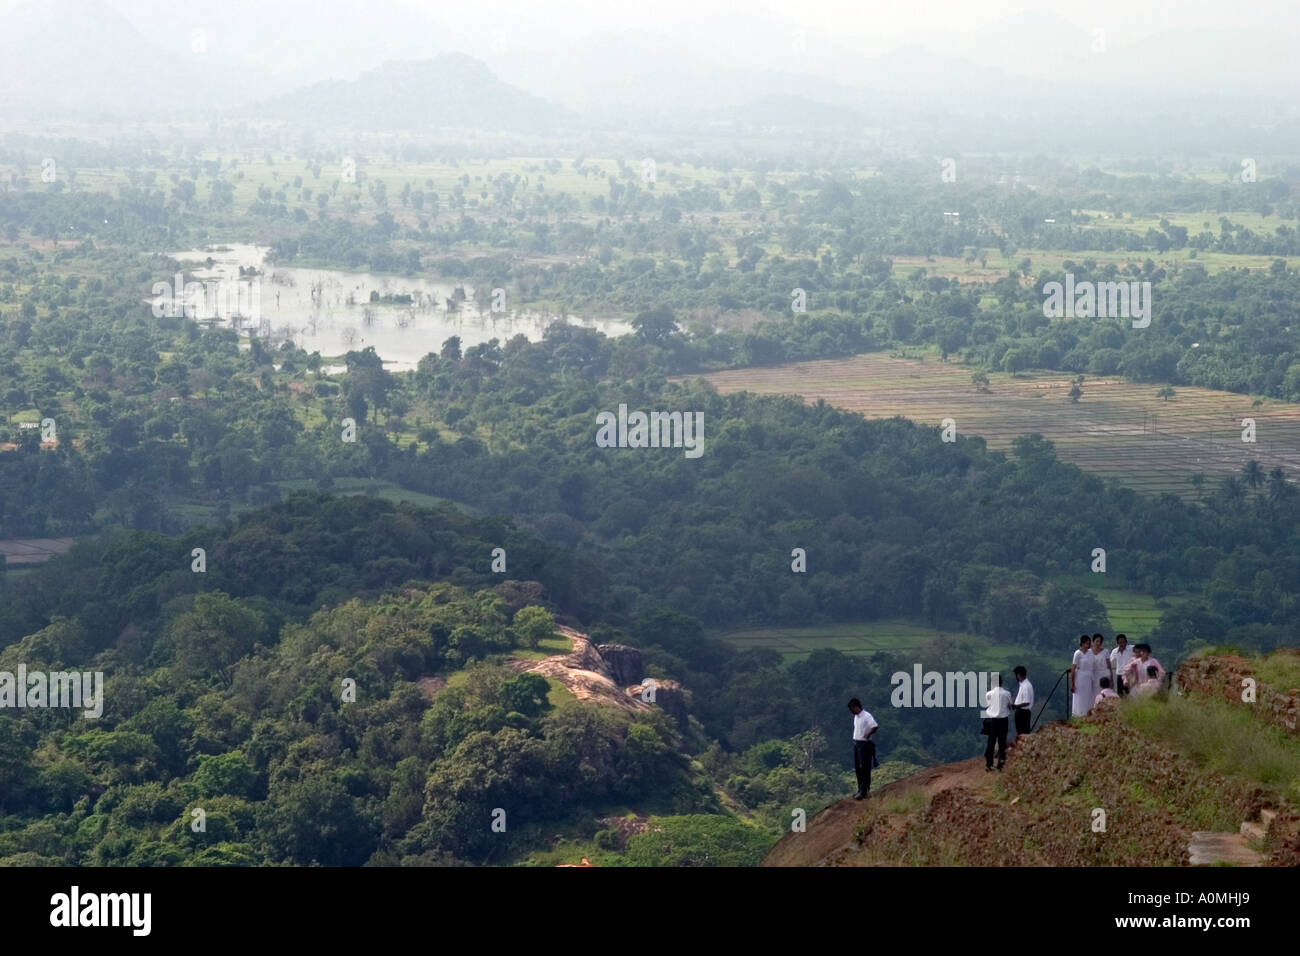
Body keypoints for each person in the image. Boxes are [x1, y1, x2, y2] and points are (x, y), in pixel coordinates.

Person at [848, 698, 878, 799]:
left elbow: (874, 726)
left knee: (864, 767)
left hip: (864, 744)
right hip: (857, 743)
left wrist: (868, 734)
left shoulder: (866, 716)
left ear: (856, 707)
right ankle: (860, 789)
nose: (851, 711)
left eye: (852, 708)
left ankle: (864, 791)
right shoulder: (856, 717)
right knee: (858, 768)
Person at [984, 674, 1013, 771]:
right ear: (1001, 682)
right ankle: (1001, 763)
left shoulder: (989, 694)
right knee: (1001, 741)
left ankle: (989, 763)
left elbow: (987, 706)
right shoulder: (1007, 693)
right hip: (1003, 719)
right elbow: (1010, 706)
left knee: (991, 741)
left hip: (992, 720)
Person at [1070, 635, 1093, 716]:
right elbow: (1073, 668)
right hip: (1080, 677)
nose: (1089, 645)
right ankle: (1079, 714)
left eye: (1089, 643)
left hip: (1088, 677)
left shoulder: (1090, 653)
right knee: (1080, 697)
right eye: (1087, 643)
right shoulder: (1078, 653)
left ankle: (1087, 713)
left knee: (1088, 696)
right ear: (1082, 644)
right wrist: (1072, 683)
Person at [1012, 665, 1034, 738]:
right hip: (1022, 712)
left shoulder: (1025, 686)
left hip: (1022, 713)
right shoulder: (1024, 685)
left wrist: (1016, 706)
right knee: (1022, 732)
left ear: (1019, 675)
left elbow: (1026, 702)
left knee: (1022, 733)